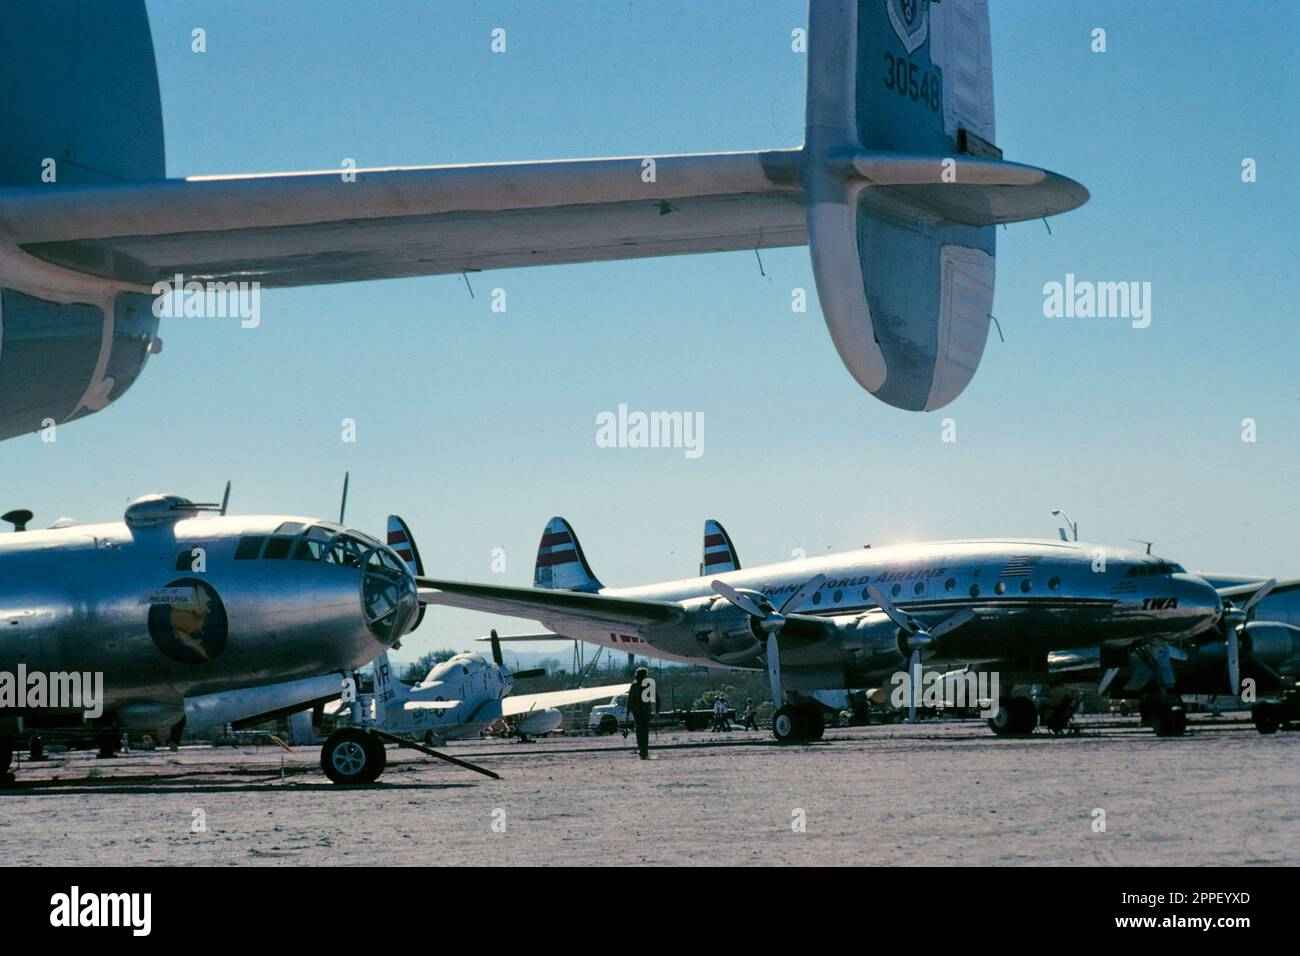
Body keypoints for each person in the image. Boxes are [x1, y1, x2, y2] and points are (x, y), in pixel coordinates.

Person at [626, 666, 653, 759]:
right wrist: (656, 709)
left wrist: (628, 710)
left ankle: (642, 751)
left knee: (639, 732)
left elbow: (630, 699)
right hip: (646, 711)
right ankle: (644, 751)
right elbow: (654, 697)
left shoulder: (634, 686)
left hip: (637, 712)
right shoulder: (648, 685)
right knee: (645, 732)